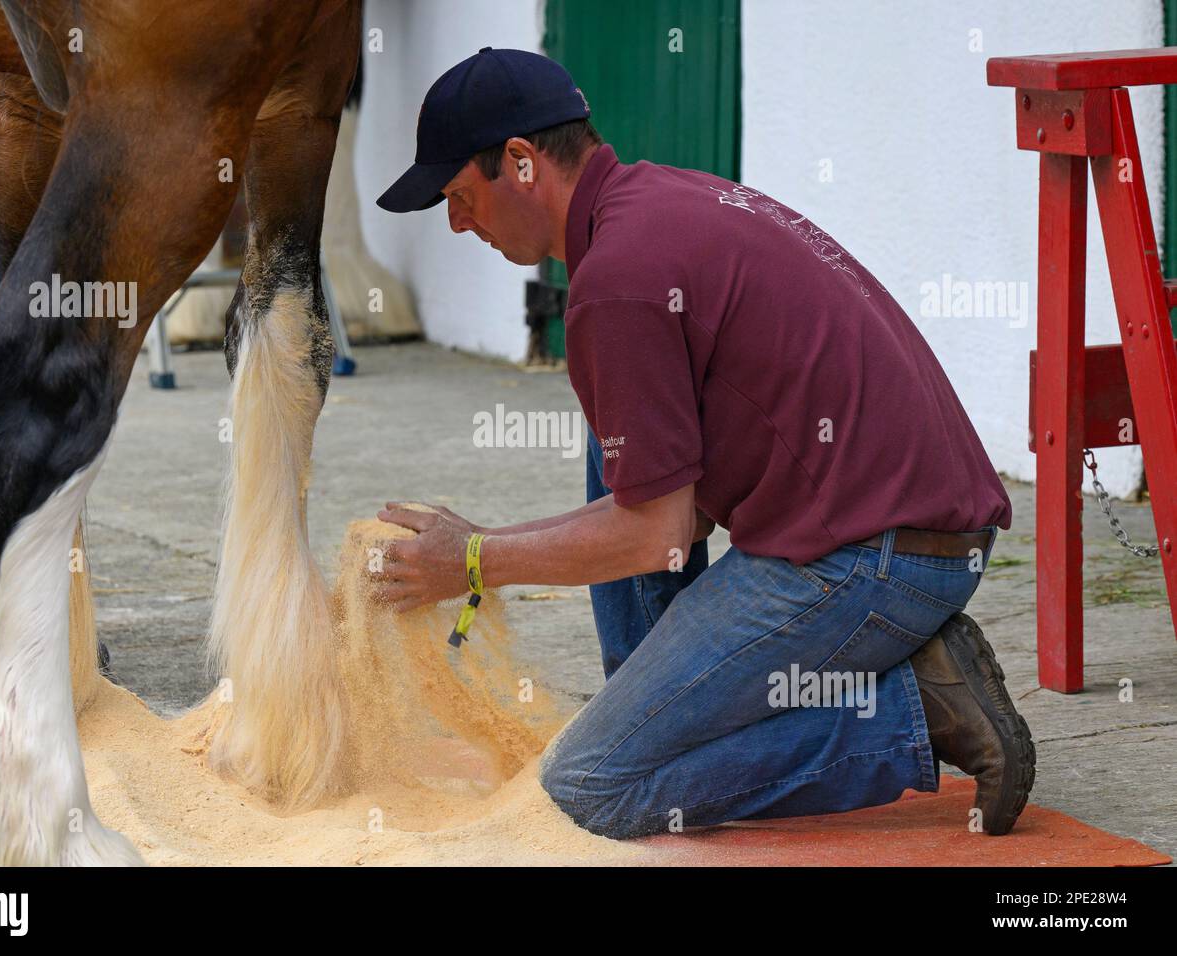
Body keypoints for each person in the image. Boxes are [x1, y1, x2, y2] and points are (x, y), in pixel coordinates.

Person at [373, 48, 1033, 839]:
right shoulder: (655, 202)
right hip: (898, 529)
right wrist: (478, 547)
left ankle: (916, 710)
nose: (454, 222)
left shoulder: (618, 279)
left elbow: (655, 535)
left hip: (880, 561)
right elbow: (665, 511)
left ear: (519, 163)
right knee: (614, 427)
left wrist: (476, 559)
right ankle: (649, 710)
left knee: (585, 792)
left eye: (458, 195)